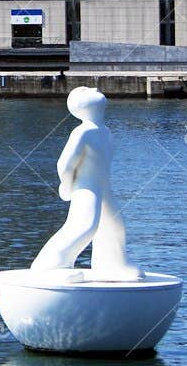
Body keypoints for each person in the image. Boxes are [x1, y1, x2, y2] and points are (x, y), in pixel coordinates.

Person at [30, 86, 145, 281]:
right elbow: (64, 163)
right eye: (85, 90)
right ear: (79, 106)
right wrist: (66, 185)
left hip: (104, 186)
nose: (95, 87)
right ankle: (49, 265)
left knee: (115, 225)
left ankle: (112, 263)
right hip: (86, 187)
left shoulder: (105, 131)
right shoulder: (82, 132)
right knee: (84, 225)